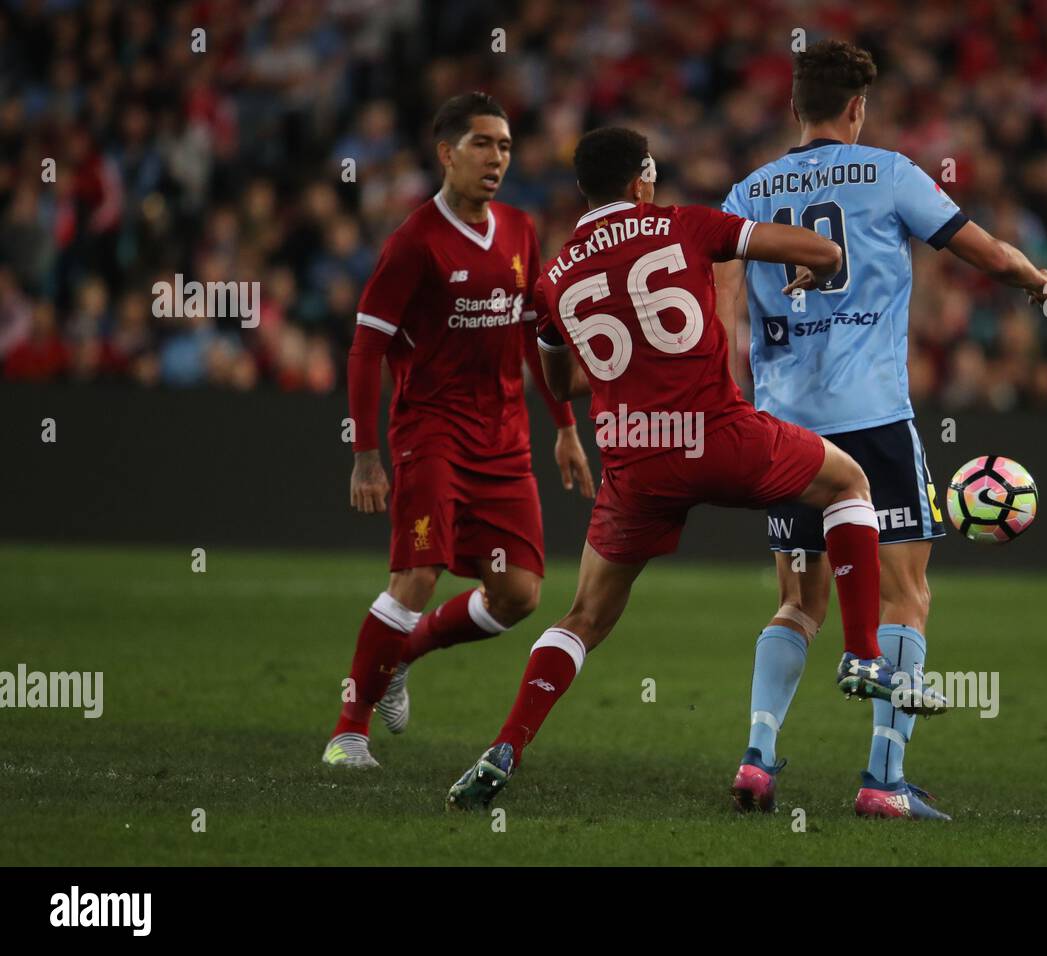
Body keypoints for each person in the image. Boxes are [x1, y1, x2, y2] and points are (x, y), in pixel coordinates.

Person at [446, 126, 916, 810]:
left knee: (583, 618)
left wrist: (596, 389)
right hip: (721, 437)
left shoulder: (556, 273)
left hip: (635, 463)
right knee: (847, 484)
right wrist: (812, 264)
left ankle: (507, 745)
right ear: (641, 178)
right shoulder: (685, 224)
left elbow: (554, 372)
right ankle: (864, 654)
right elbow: (823, 248)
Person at [716, 40, 1047, 819]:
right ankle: (882, 781)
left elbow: (721, 302)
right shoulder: (893, 173)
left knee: (799, 601)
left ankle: (759, 760)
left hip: (784, 427)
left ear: (794, 107)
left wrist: (733, 392)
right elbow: (986, 256)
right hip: (870, 420)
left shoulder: (748, 192)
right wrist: (1037, 282)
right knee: (905, 598)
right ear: (857, 108)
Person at [322, 93, 594, 768]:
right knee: (417, 574)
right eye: (483, 144)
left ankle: (401, 656)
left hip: (504, 437)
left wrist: (563, 425)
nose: (497, 157)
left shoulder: (520, 231)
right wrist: (364, 454)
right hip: (432, 430)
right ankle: (347, 732)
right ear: (447, 154)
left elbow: (537, 334)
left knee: (520, 594)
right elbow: (366, 347)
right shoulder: (415, 241)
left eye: (504, 145)